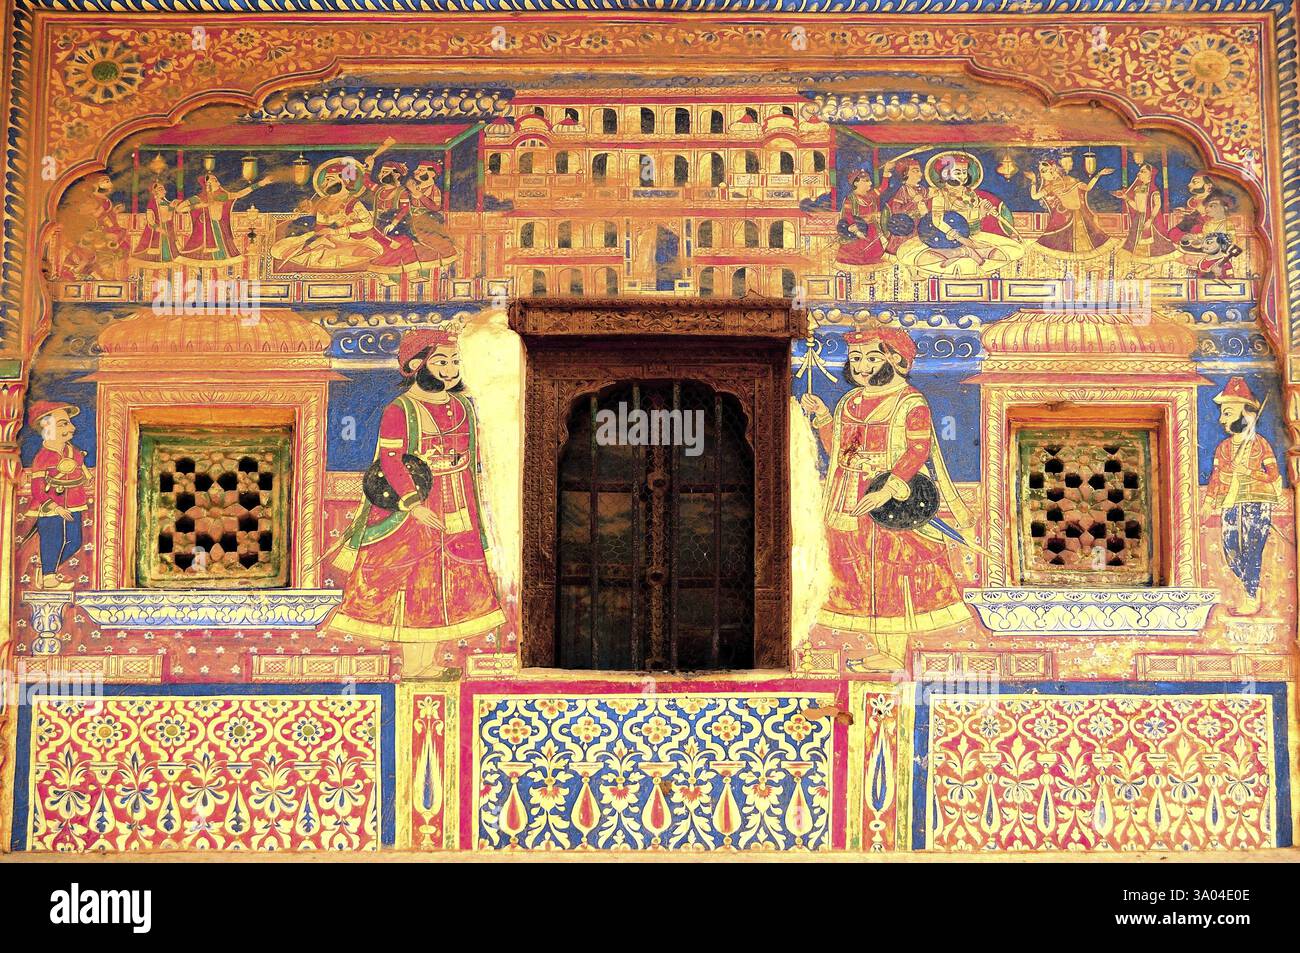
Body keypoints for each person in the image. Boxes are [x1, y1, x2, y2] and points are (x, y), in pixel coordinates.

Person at [327, 328, 506, 667]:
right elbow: (390, 462)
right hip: (415, 509)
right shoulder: (400, 409)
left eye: (455, 361)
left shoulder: (463, 405)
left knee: (447, 580)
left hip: (457, 502)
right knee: (416, 579)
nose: (451, 369)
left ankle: (429, 661)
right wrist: (414, 505)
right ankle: (412, 665)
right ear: (415, 364)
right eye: (441, 361)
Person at [798, 327, 971, 665]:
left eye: (872, 358)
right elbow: (840, 453)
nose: (862, 366)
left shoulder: (910, 402)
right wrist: (822, 418)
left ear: (896, 359)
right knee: (861, 571)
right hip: (849, 498)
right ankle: (880, 650)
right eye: (856, 358)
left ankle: (894, 654)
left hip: (893, 501)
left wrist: (887, 488)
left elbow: (917, 450)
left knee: (893, 571)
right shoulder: (849, 402)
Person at [1204, 377, 1281, 616]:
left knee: (1252, 549)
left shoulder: (1260, 444)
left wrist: (1248, 471)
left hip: (1257, 501)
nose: (1222, 420)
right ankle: (1250, 589)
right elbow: (1216, 477)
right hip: (1230, 501)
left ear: (1244, 414)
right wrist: (1209, 501)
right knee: (1231, 549)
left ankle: (1251, 596)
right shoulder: (1223, 448)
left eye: (1227, 413)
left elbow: (1273, 474)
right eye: (1222, 414)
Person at [896, 152, 1023, 278]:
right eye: (958, 173)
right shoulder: (940, 195)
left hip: (973, 236)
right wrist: (962, 240)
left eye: (964, 172)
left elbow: (974, 218)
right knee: (923, 259)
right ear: (946, 174)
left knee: (1004, 254)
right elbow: (937, 222)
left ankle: (964, 252)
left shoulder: (971, 194)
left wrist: (983, 211)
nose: (962, 177)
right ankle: (962, 252)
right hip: (949, 240)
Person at [24, 401, 90, 591]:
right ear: (47, 427)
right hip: (50, 506)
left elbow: (81, 468)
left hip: (74, 501)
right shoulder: (42, 458)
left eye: (69, 423)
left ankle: (45, 571)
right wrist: (55, 507)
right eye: (64, 424)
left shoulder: (73, 451)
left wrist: (87, 477)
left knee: (75, 540)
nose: (72, 427)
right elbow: (37, 489)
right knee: (52, 540)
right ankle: (49, 577)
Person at [1025, 156, 1114, 255]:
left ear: (1055, 168)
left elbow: (1087, 188)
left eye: (1049, 170)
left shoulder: (1070, 179)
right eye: (1043, 172)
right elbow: (1034, 196)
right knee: (1066, 246)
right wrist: (1033, 180)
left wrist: (1099, 174)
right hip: (1066, 217)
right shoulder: (1050, 186)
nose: (1048, 174)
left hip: (1080, 214)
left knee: (1089, 243)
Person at [179, 170, 271, 264]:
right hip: (207, 229)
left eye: (216, 179)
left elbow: (240, 193)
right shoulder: (199, 198)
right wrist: (198, 206)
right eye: (213, 180)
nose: (217, 182)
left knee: (224, 255)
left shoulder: (224, 195)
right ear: (207, 184)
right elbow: (179, 209)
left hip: (221, 227)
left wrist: (261, 183)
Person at [1114, 162, 1176, 257]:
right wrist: (1125, 198)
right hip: (1138, 220)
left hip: (1151, 222)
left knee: (1154, 249)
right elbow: (1138, 207)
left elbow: (1157, 205)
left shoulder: (1154, 190)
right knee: (1134, 248)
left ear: (1150, 175)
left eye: (1143, 171)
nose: (1139, 174)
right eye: (1139, 171)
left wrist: (1150, 220)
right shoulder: (1138, 189)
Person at [835, 170, 886, 265]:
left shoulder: (871, 196)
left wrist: (886, 173)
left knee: (874, 259)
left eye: (869, 180)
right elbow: (848, 217)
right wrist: (857, 231)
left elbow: (882, 188)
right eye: (866, 180)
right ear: (856, 182)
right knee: (856, 259)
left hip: (872, 230)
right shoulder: (850, 198)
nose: (870, 183)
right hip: (859, 230)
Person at [131, 179, 181, 266]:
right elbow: (150, 220)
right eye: (160, 189)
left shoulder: (167, 203)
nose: (163, 191)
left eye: (163, 189)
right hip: (156, 231)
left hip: (167, 228)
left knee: (170, 249)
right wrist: (158, 229)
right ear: (155, 192)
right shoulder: (152, 203)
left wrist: (172, 207)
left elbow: (168, 218)